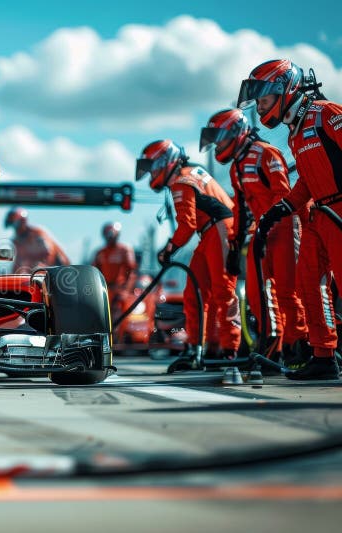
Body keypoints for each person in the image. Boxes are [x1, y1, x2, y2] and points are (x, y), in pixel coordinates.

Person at [241, 59, 342, 380]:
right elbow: (307, 183)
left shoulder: (327, 113)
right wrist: (281, 208)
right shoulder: (296, 133)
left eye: (264, 100)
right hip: (319, 214)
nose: (260, 108)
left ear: (287, 89)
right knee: (308, 283)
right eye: (257, 102)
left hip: (338, 212)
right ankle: (324, 356)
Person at [200, 108, 309, 369]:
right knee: (260, 296)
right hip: (261, 233)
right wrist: (236, 242)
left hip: (283, 226)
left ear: (236, 132)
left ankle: (301, 349)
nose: (218, 144)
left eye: (221, 138)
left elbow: (283, 194)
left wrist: (267, 225)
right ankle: (272, 350)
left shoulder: (266, 153)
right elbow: (240, 206)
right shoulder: (238, 165)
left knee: (288, 292)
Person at [136, 140, 241, 368]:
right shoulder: (190, 172)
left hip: (220, 229)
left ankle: (231, 350)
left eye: (152, 167)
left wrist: (168, 249)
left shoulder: (181, 180)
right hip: (212, 232)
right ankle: (200, 349)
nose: (151, 173)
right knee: (195, 292)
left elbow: (187, 225)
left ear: (165, 162)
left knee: (223, 291)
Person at [5, 207, 70, 274]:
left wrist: (43, 270)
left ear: (23, 221)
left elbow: (50, 254)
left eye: (16, 225)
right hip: (42, 274)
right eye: (12, 226)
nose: (16, 230)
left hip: (61, 271)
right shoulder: (17, 241)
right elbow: (17, 264)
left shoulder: (38, 232)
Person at [92, 221, 137, 319]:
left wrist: (126, 290)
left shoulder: (125, 250)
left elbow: (132, 272)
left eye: (113, 235)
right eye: (108, 235)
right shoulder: (100, 252)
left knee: (121, 317)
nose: (111, 238)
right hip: (105, 291)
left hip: (120, 290)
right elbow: (93, 273)